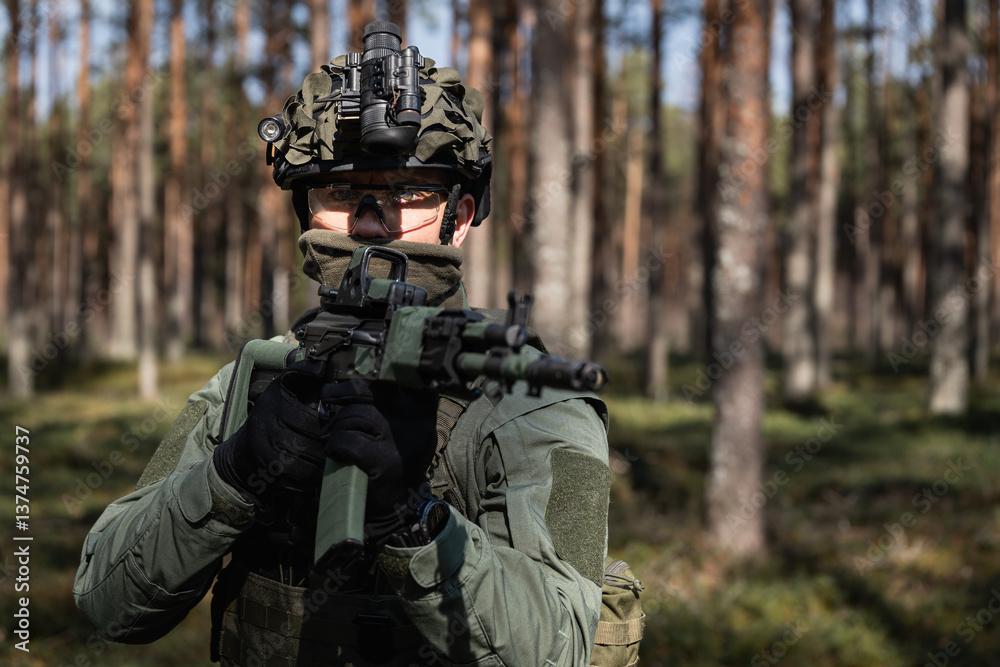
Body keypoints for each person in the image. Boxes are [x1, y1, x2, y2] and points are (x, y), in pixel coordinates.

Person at [74, 22, 612, 667]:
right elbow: (106, 601)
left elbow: (563, 647)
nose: (369, 220)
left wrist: (414, 522)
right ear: (305, 210)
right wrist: (233, 474)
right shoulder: (258, 380)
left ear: (460, 216)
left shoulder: (524, 398)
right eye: (338, 192)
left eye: (410, 192)